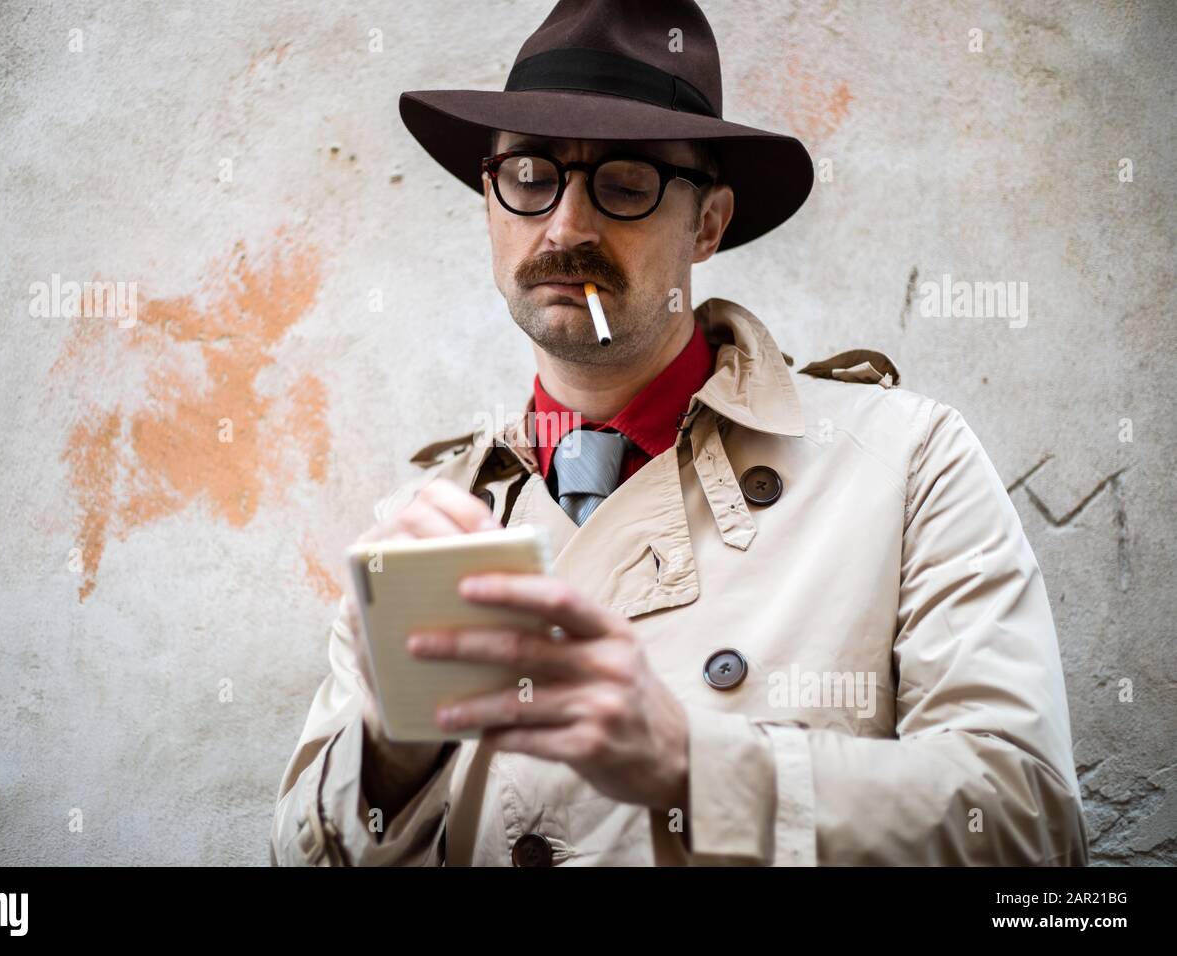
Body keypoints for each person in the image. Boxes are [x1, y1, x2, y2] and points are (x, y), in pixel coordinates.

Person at [270, 0, 1089, 866]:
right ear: (489, 202)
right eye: (529, 176)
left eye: (625, 183)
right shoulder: (427, 527)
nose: (566, 227)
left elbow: (1027, 830)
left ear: (708, 224)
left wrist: (693, 767)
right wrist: (392, 747)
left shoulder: (904, 461)